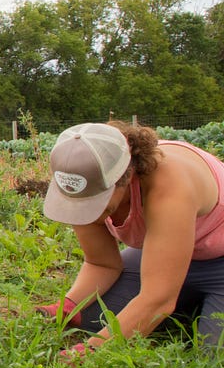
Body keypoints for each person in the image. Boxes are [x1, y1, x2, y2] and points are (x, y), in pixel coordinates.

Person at [39, 121, 224, 354]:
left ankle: (194, 305)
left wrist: (92, 352)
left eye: (96, 201)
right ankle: (188, 303)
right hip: (165, 257)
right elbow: (101, 263)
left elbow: (158, 299)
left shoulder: (169, 185)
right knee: (91, 321)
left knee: (213, 355)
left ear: (125, 177)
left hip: (219, 260)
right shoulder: (83, 184)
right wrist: (67, 306)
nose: (88, 211)